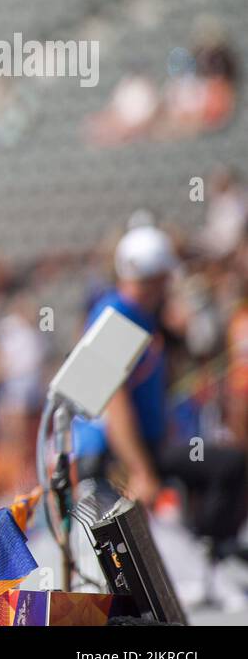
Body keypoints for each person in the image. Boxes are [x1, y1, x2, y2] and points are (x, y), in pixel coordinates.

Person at [73, 225, 247, 555]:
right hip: (115, 457)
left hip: (142, 447)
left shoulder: (140, 316)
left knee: (222, 467)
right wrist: (142, 472)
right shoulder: (118, 317)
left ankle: (207, 550)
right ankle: (207, 553)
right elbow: (115, 405)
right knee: (230, 465)